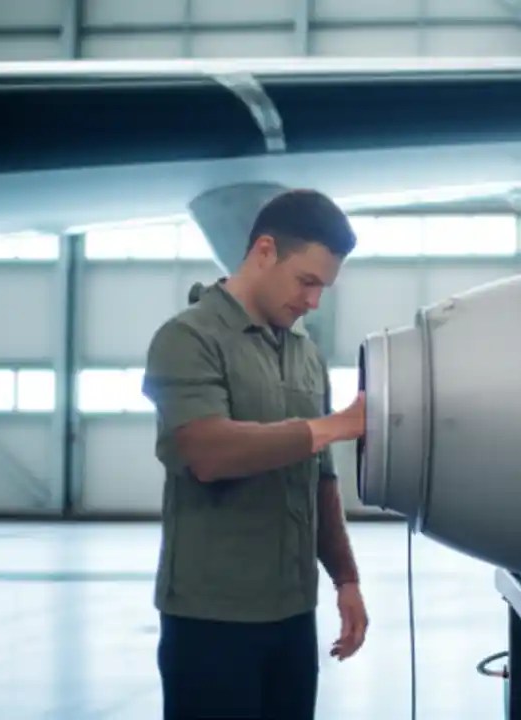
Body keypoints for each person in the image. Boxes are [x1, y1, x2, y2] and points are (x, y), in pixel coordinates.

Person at [141, 189, 368, 720]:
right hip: (211, 622)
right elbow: (209, 452)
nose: (313, 300)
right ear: (264, 251)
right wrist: (331, 427)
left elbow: (321, 481)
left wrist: (346, 579)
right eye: (306, 281)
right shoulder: (187, 338)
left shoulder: (305, 354)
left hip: (292, 617)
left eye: (323, 288)